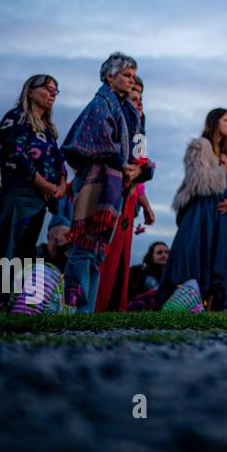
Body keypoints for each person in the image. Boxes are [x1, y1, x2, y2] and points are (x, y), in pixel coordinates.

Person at [59, 52, 147, 312]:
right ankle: (74, 307)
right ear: (110, 76)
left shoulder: (128, 111)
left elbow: (141, 154)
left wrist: (136, 170)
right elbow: (99, 141)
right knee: (84, 246)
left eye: (133, 76)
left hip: (115, 184)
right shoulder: (101, 104)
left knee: (97, 251)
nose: (131, 81)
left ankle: (88, 310)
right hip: (95, 183)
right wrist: (124, 164)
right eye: (126, 76)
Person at [0, 75, 67, 268]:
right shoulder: (17, 117)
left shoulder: (49, 130)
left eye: (55, 90)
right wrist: (43, 183)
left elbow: (59, 161)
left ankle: (12, 297)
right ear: (31, 91)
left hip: (40, 202)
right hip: (15, 196)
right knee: (1, 249)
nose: (52, 93)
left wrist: (61, 184)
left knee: (24, 254)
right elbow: (13, 153)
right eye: (47, 88)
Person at [164, 109, 227, 310]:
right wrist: (221, 171)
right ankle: (181, 304)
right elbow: (197, 181)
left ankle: (208, 307)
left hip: (220, 214)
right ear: (215, 122)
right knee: (194, 256)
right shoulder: (199, 146)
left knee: (215, 261)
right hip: (201, 211)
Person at [95, 78, 155, 312]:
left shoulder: (140, 127)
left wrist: (140, 175)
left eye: (141, 99)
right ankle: (96, 304)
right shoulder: (115, 120)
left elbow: (142, 161)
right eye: (133, 98)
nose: (138, 103)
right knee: (106, 250)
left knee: (122, 252)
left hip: (130, 193)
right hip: (110, 188)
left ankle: (114, 305)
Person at [127, 241, 168, 310]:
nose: (164, 255)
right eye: (159, 252)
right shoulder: (139, 271)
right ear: (151, 256)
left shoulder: (173, 275)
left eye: (167, 252)